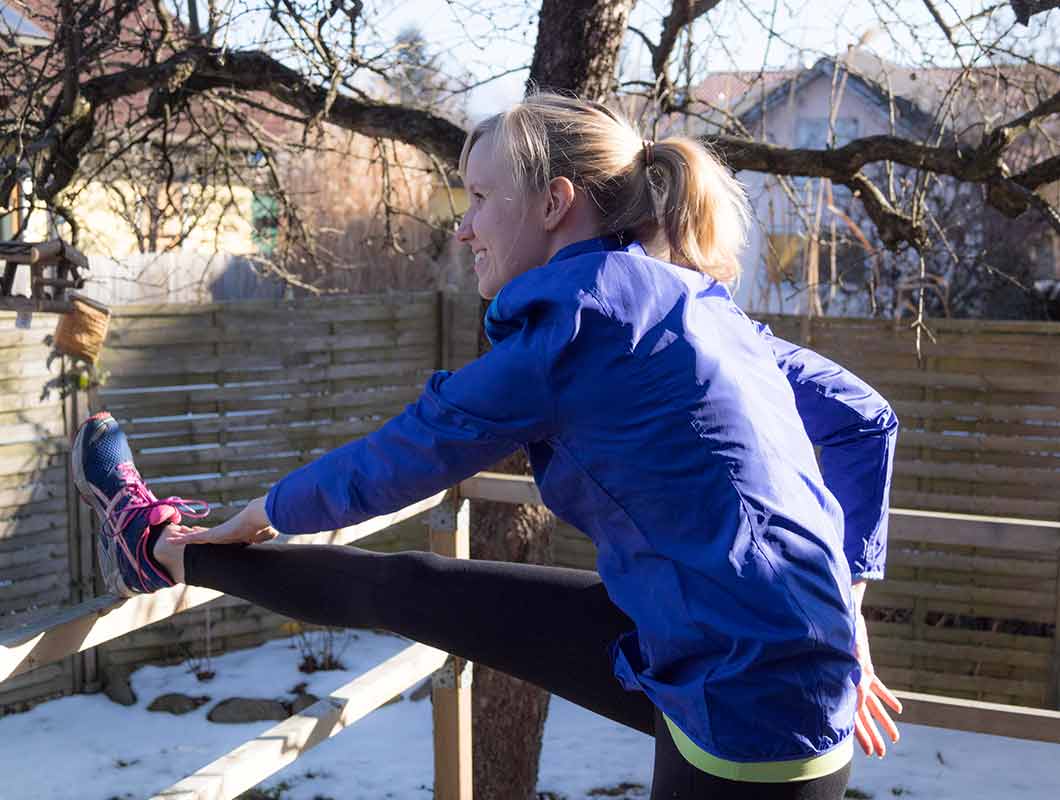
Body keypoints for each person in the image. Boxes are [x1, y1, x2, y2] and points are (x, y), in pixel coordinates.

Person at [72, 92, 902, 799]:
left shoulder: (579, 327)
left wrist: (253, 515)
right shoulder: (691, 304)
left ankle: (165, 545)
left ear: (554, 204)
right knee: (415, 589)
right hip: (713, 639)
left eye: (477, 197)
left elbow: (399, 458)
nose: (463, 227)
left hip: (752, 709)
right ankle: (158, 547)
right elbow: (864, 420)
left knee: (403, 591)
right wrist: (844, 612)